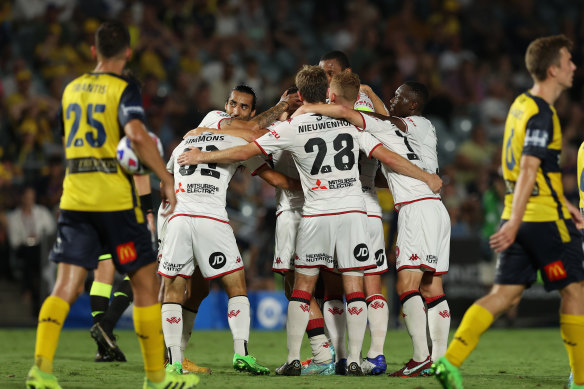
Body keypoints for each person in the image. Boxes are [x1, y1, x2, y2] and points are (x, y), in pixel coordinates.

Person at [176, 65, 442, 376]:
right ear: (328, 94)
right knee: (355, 287)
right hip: (355, 209)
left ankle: (305, 356)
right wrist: (425, 175)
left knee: (300, 288)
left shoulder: (291, 126)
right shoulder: (352, 125)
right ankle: (354, 360)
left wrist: (201, 155)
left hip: (312, 212)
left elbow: (247, 148)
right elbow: (387, 156)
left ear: (300, 94)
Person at [25, 21, 199, 389]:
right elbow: (135, 135)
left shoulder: (71, 89)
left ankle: (40, 371)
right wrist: (165, 179)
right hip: (114, 200)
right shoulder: (125, 88)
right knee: (145, 285)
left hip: (74, 196)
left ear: (94, 51)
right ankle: (156, 379)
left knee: (64, 286)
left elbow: (65, 138)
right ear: (129, 54)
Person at [431, 34, 584, 389]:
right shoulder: (543, 114)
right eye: (568, 61)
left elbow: (517, 167)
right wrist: (518, 221)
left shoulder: (519, 105)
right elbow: (529, 167)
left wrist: (558, 205)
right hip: (540, 219)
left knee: (504, 294)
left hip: (522, 210)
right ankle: (580, 379)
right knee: (575, 290)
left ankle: (450, 361)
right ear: (553, 69)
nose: (573, 66)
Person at [296, 80, 451, 377]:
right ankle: (439, 360)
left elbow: (353, 115)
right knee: (432, 287)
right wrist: (369, 94)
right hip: (436, 207)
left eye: (398, 96)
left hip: (415, 209)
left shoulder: (386, 126)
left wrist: (309, 106)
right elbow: (386, 125)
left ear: (413, 104)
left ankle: (421, 357)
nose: (392, 100)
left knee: (406, 287)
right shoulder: (422, 127)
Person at [158, 86, 299, 376]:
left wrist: (168, 207)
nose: (235, 110)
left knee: (190, 288)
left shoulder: (188, 139)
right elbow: (270, 168)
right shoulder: (228, 129)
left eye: (243, 107)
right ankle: (241, 353)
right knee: (235, 284)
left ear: (251, 111)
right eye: (232, 104)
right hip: (210, 218)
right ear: (224, 106)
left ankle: (174, 359)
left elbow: (166, 178)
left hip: (178, 216)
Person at [319, 51, 390, 375]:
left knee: (346, 286)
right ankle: (362, 356)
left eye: (330, 72)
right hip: (364, 204)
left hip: (347, 205)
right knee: (356, 285)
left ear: (345, 73)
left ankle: (353, 357)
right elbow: (388, 130)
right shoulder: (371, 114)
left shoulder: (341, 110)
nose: (325, 78)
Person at [7, 186, 56, 318]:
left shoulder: (43, 212)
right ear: (22, 198)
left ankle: (28, 289)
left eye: (32, 197)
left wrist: (38, 238)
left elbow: (51, 233)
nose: (30, 200)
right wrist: (28, 239)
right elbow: (13, 241)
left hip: (42, 250)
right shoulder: (14, 216)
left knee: (35, 255)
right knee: (31, 254)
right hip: (23, 249)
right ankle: (32, 287)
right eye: (27, 197)